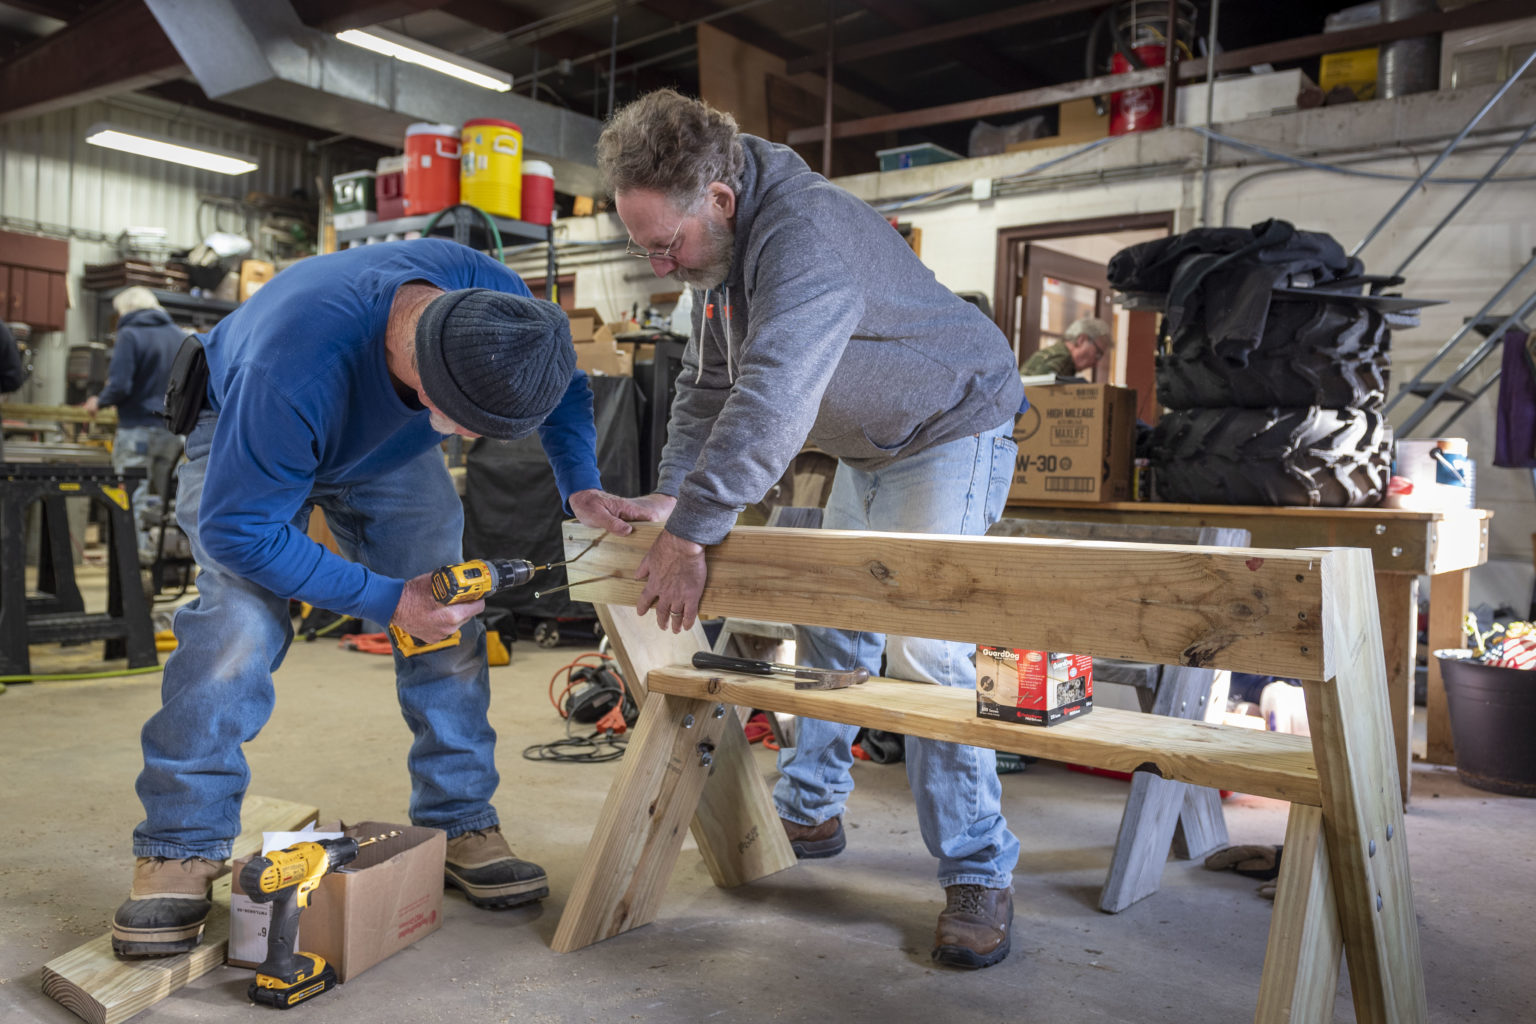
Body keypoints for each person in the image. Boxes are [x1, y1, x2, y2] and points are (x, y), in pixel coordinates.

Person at [111, 239, 655, 960]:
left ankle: (462, 818)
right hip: (246, 431)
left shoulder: (499, 310)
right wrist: (390, 601)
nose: (469, 442)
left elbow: (567, 391)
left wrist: (578, 482)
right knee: (235, 626)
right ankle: (179, 843)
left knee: (451, 614)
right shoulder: (290, 371)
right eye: (469, 427)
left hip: (387, 447)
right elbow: (241, 532)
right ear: (428, 380)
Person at [594, 90, 1025, 969]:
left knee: (927, 651)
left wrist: (694, 534)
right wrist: (675, 498)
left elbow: (772, 398)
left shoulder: (806, 239)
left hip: (952, 425)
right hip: (870, 448)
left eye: (665, 246)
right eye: (644, 249)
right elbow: (707, 389)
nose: (660, 266)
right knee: (831, 625)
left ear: (718, 198)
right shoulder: (718, 255)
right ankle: (815, 803)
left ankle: (979, 867)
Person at [83, 287, 186, 562]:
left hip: (137, 429)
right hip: (172, 432)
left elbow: (120, 385)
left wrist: (98, 401)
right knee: (171, 502)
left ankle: (134, 561)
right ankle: (169, 559)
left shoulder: (130, 335)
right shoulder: (179, 336)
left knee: (132, 497)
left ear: (126, 309)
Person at [1021, 316, 1112, 377]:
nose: (1096, 363)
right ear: (1081, 340)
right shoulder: (1063, 359)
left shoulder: (1058, 353)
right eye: (1098, 353)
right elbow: (1039, 397)